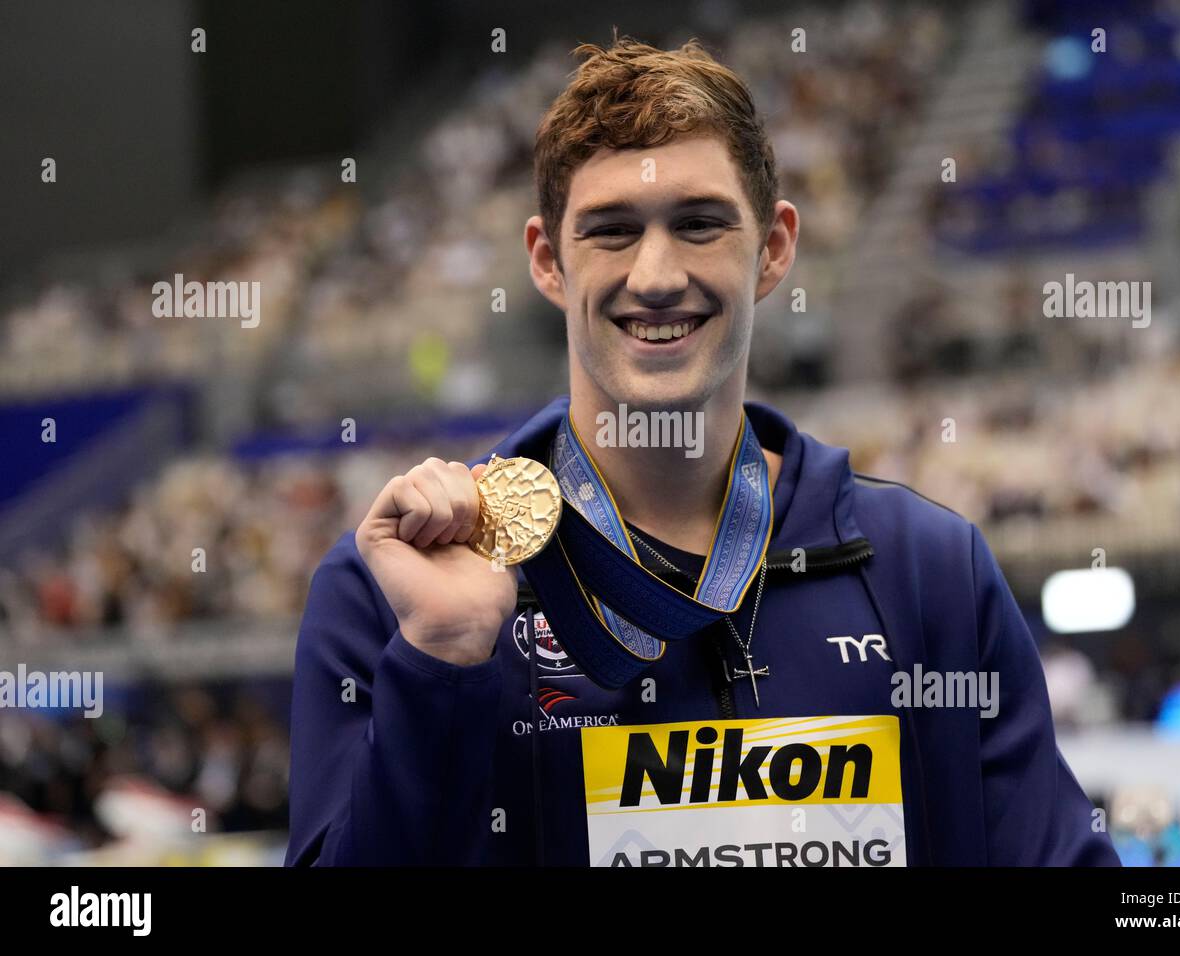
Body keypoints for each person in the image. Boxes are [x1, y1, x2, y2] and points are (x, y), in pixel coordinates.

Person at [286, 36, 1118, 867]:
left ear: (774, 248)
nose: (654, 275)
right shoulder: (394, 593)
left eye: (699, 224)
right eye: (611, 231)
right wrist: (441, 662)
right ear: (546, 261)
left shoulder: (925, 571)